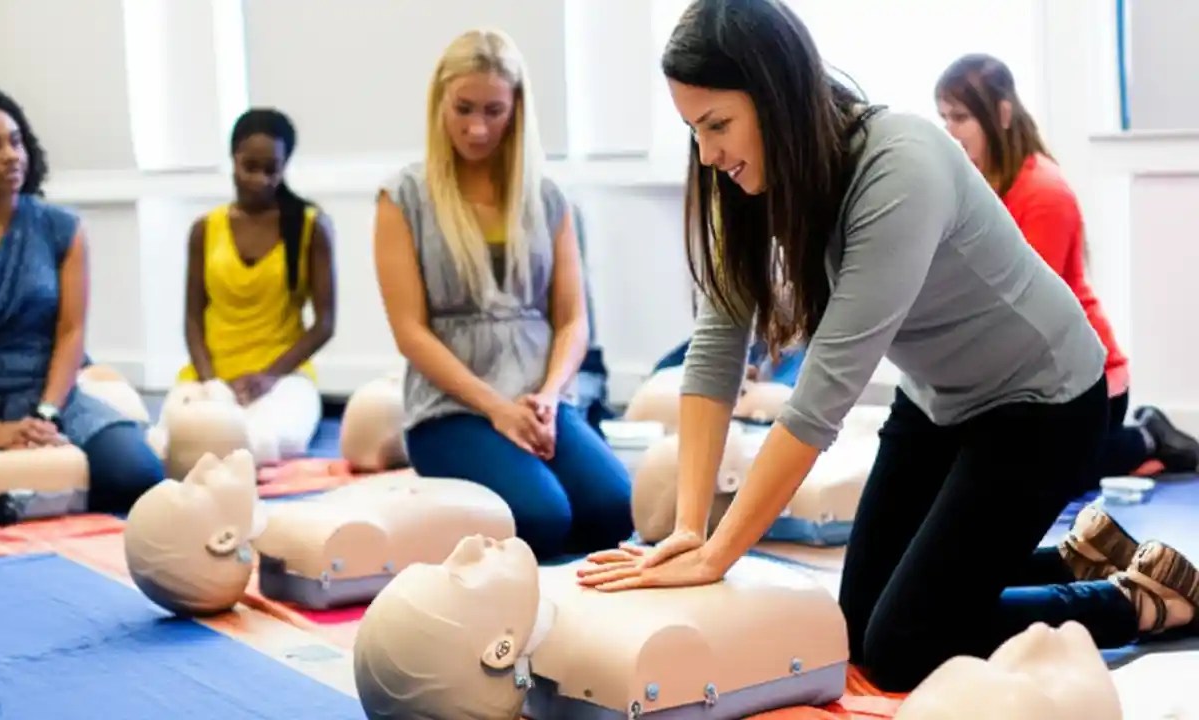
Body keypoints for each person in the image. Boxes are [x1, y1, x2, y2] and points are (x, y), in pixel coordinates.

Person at [576, 0, 1199, 693]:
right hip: (937, 401)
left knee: (905, 645)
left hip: (1042, 404)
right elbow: (716, 347)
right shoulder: (749, 177)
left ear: (777, 97)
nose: (707, 153)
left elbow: (821, 400)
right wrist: (688, 531)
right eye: (694, 129)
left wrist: (718, 555)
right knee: (859, 622)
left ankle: (1133, 601)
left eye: (717, 125)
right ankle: (1074, 557)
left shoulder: (899, 165)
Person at [373, 28, 633, 561]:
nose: (477, 127)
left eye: (494, 111)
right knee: (542, 516)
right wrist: (495, 409)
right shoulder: (403, 197)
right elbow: (410, 332)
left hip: (537, 401)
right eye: (464, 109)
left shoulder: (549, 197)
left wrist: (549, 396)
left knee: (613, 507)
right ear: (440, 102)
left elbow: (573, 321)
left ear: (517, 108)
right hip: (450, 409)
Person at [935, 53, 1199, 483]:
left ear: (1002, 114)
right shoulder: (979, 186)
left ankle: (1147, 439)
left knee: (1025, 477)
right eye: (944, 118)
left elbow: (1021, 313)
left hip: (1087, 378)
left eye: (961, 118)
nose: (950, 132)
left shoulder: (1044, 193)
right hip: (1030, 373)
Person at [0, 85, 161, 513]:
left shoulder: (60, 227)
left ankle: (19, 502)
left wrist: (47, 414)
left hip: (46, 389)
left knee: (137, 473)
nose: (11, 155)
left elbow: (71, 332)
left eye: (15, 142)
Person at [179, 108, 335, 463]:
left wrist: (269, 376)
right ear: (232, 159)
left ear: (285, 166)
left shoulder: (311, 226)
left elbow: (325, 323)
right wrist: (211, 384)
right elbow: (192, 319)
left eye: (271, 169)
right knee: (171, 441)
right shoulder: (205, 229)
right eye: (249, 167)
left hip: (283, 379)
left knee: (264, 443)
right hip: (212, 376)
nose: (260, 180)